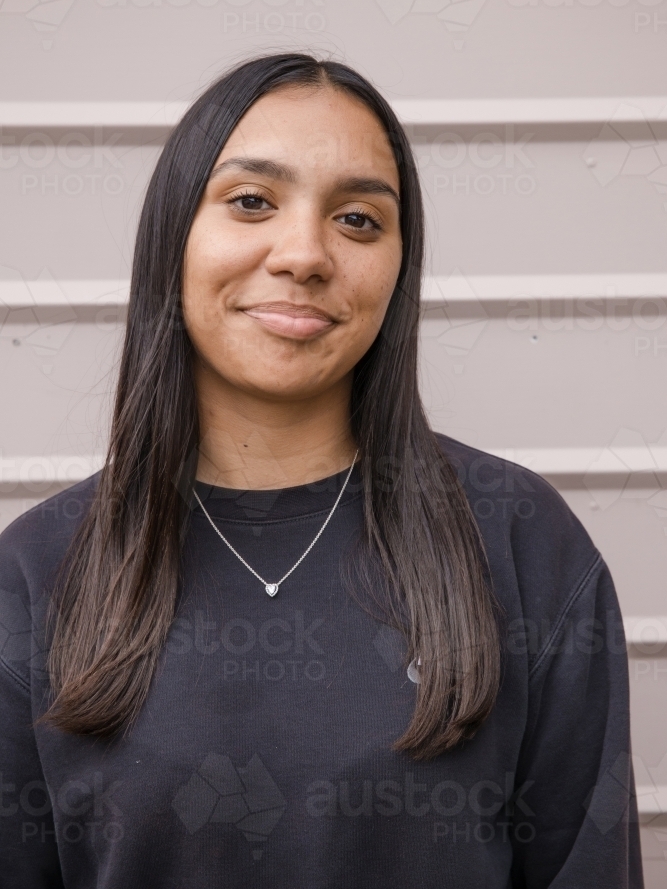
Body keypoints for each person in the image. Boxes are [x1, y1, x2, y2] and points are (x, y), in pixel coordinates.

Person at [0, 53, 642, 888]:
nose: (304, 253)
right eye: (252, 202)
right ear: (173, 238)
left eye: (358, 220)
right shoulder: (34, 573)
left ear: (398, 269)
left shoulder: (523, 542)